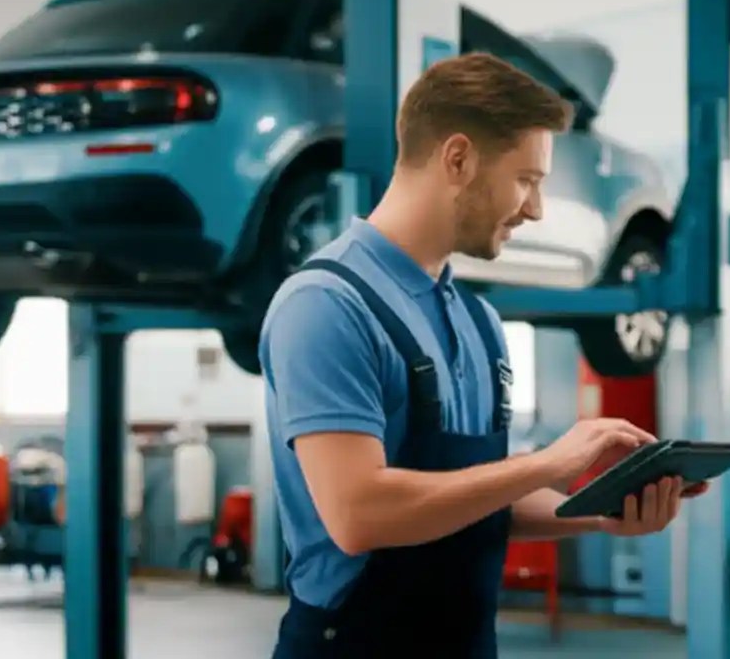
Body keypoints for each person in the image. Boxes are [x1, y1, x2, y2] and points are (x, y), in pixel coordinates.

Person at [260, 52, 701, 659]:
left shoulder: (479, 322)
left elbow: (479, 500)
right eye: (527, 179)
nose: (536, 209)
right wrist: (547, 463)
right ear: (458, 159)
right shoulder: (325, 305)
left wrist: (598, 513)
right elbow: (359, 513)